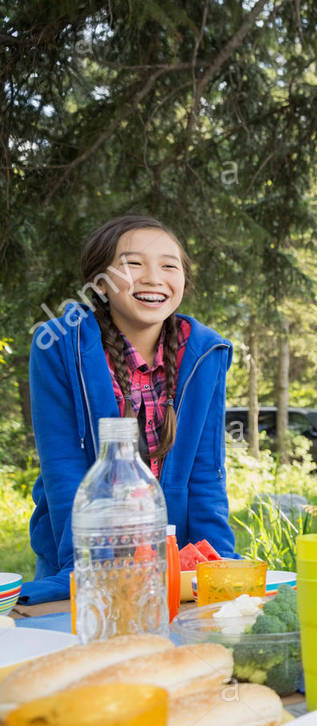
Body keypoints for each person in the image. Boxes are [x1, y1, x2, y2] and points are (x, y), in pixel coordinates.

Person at [22, 214, 236, 605]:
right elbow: (64, 471)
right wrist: (79, 568)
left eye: (169, 265)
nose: (154, 277)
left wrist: (218, 560)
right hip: (84, 550)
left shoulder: (206, 352)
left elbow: (206, 474)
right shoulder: (58, 345)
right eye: (133, 264)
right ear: (100, 282)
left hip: (176, 567)